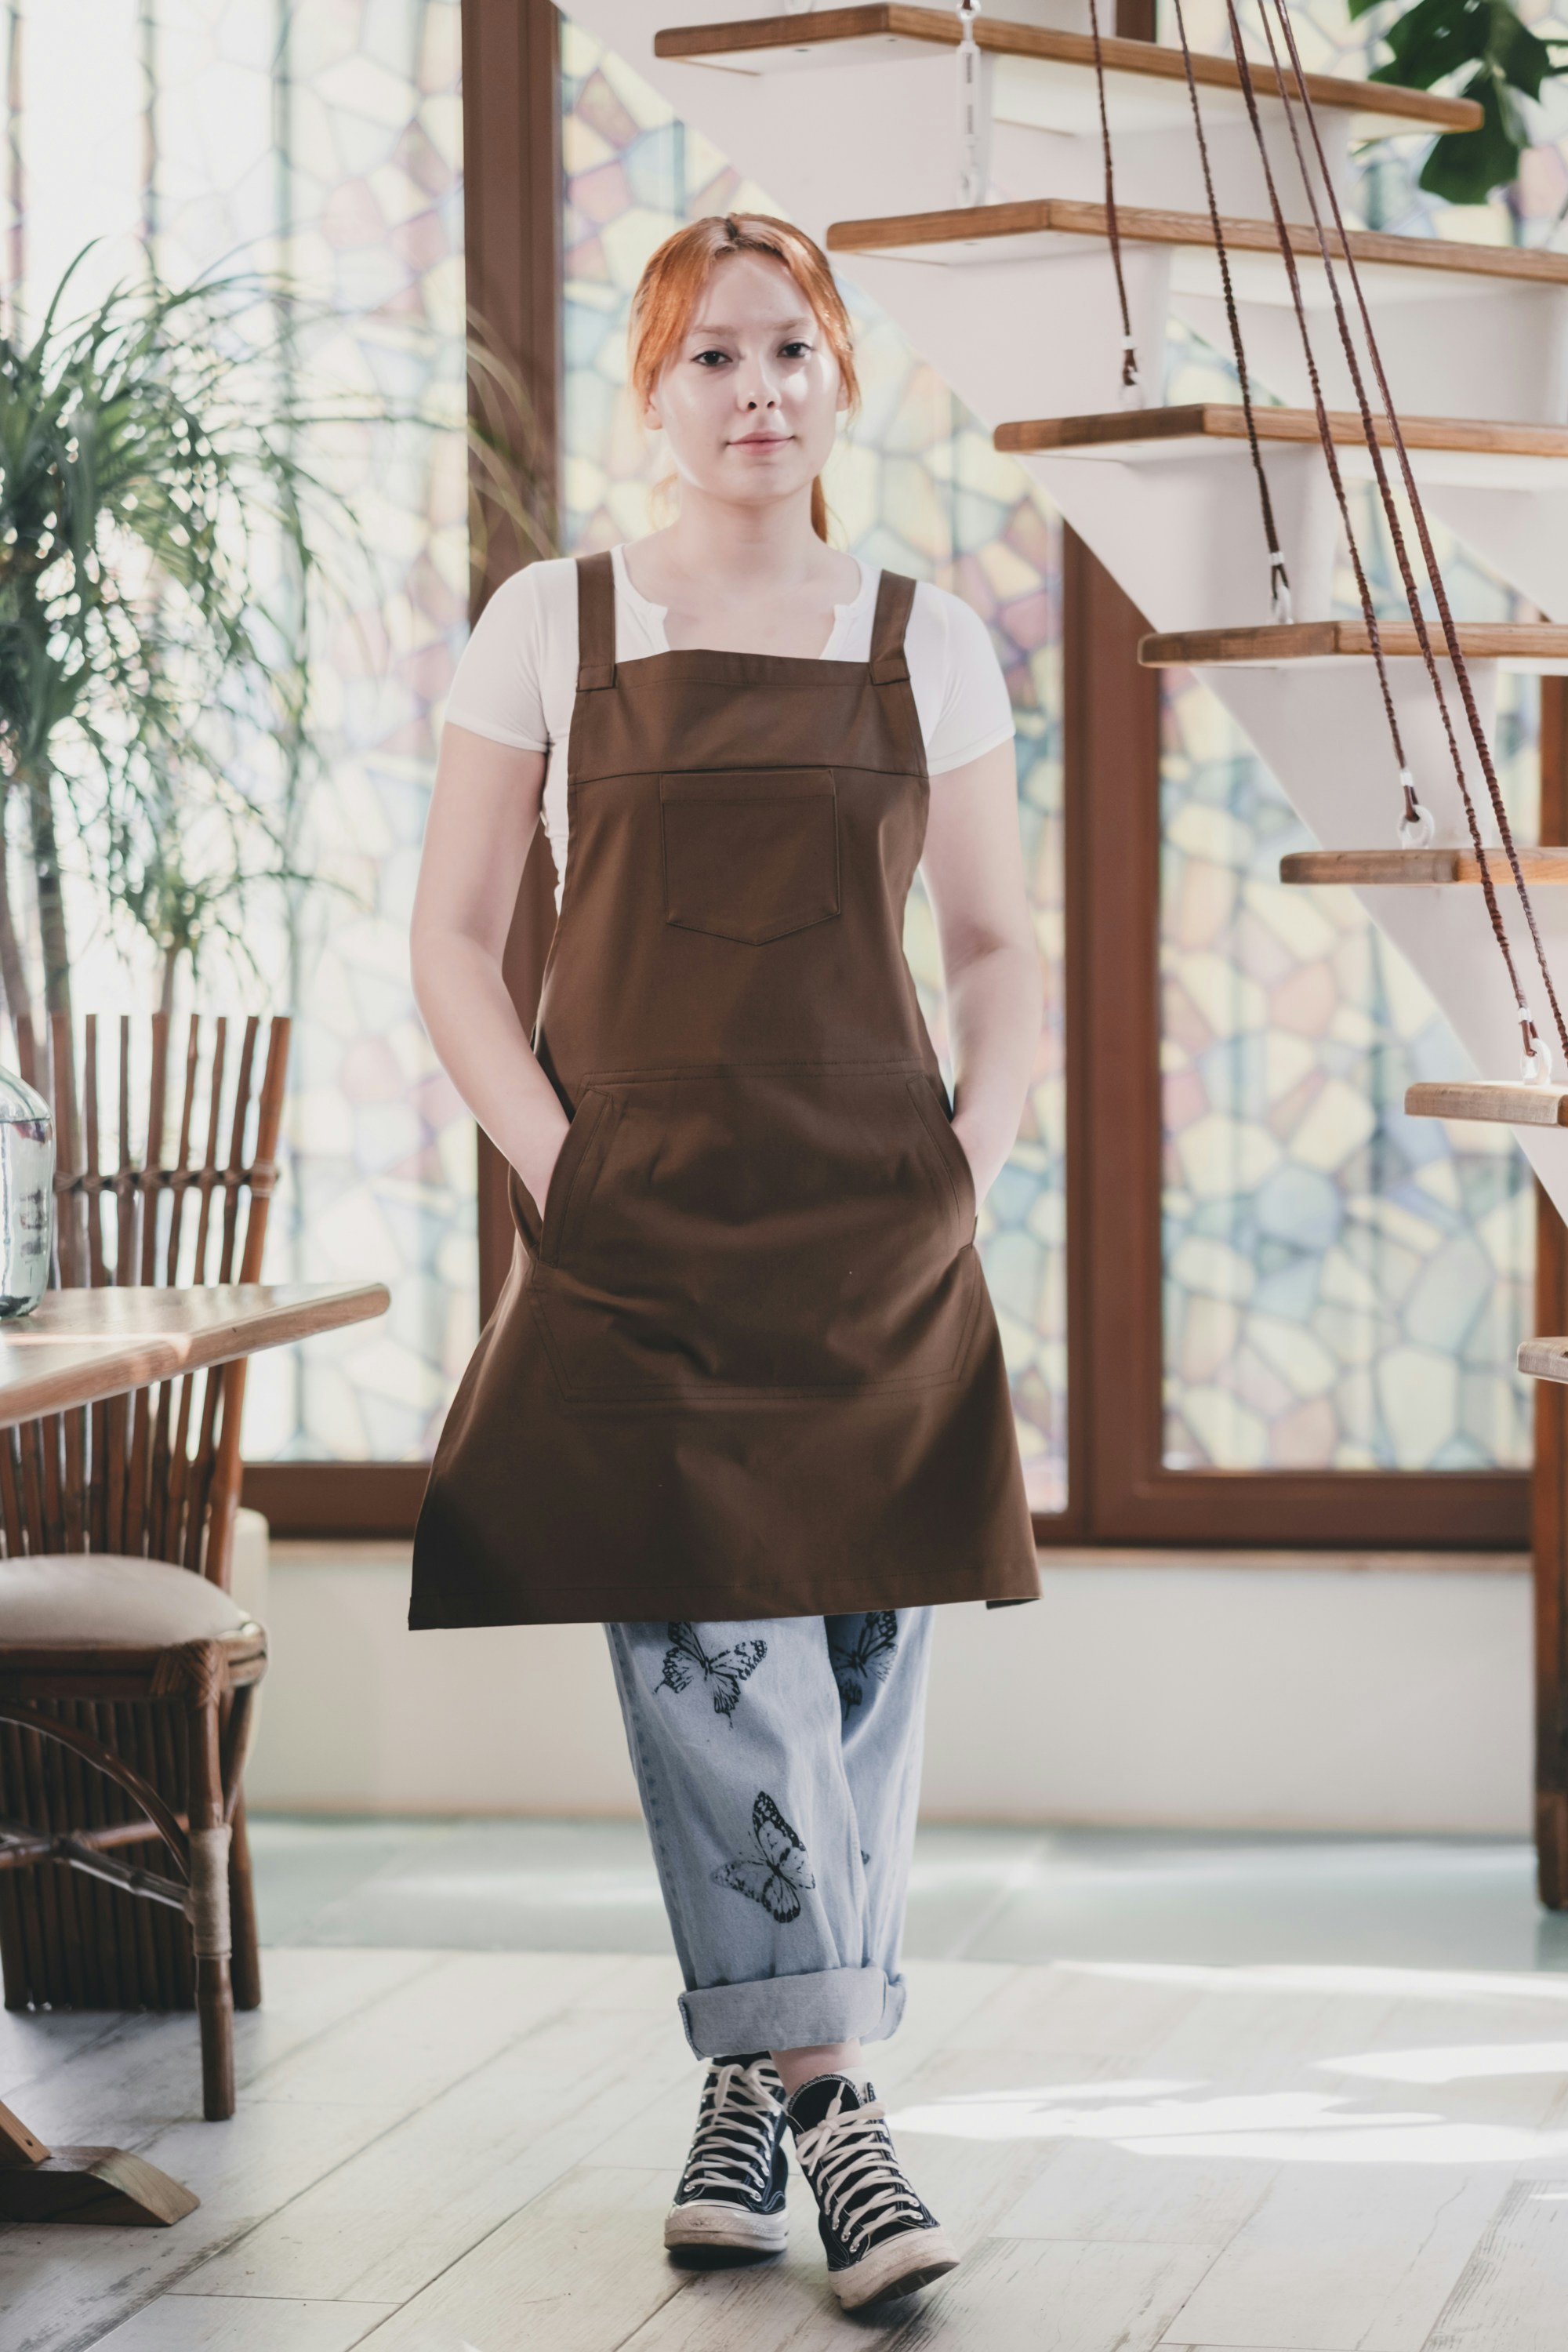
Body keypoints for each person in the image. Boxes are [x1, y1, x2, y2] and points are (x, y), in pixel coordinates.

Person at [408, 212, 1042, 2314]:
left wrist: (972, 1164)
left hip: (877, 1235)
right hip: (641, 1239)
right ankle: (847, 2113)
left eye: (791, 350)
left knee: (855, 1671)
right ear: (654, 389)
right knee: (714, 1664)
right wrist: (556, 1165)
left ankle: (749, 2085)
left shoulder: (923, 636)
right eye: (712, 358)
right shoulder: (549, 622)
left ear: (839, 375)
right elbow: (452, 932)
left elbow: (994, 947)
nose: (758, 390)